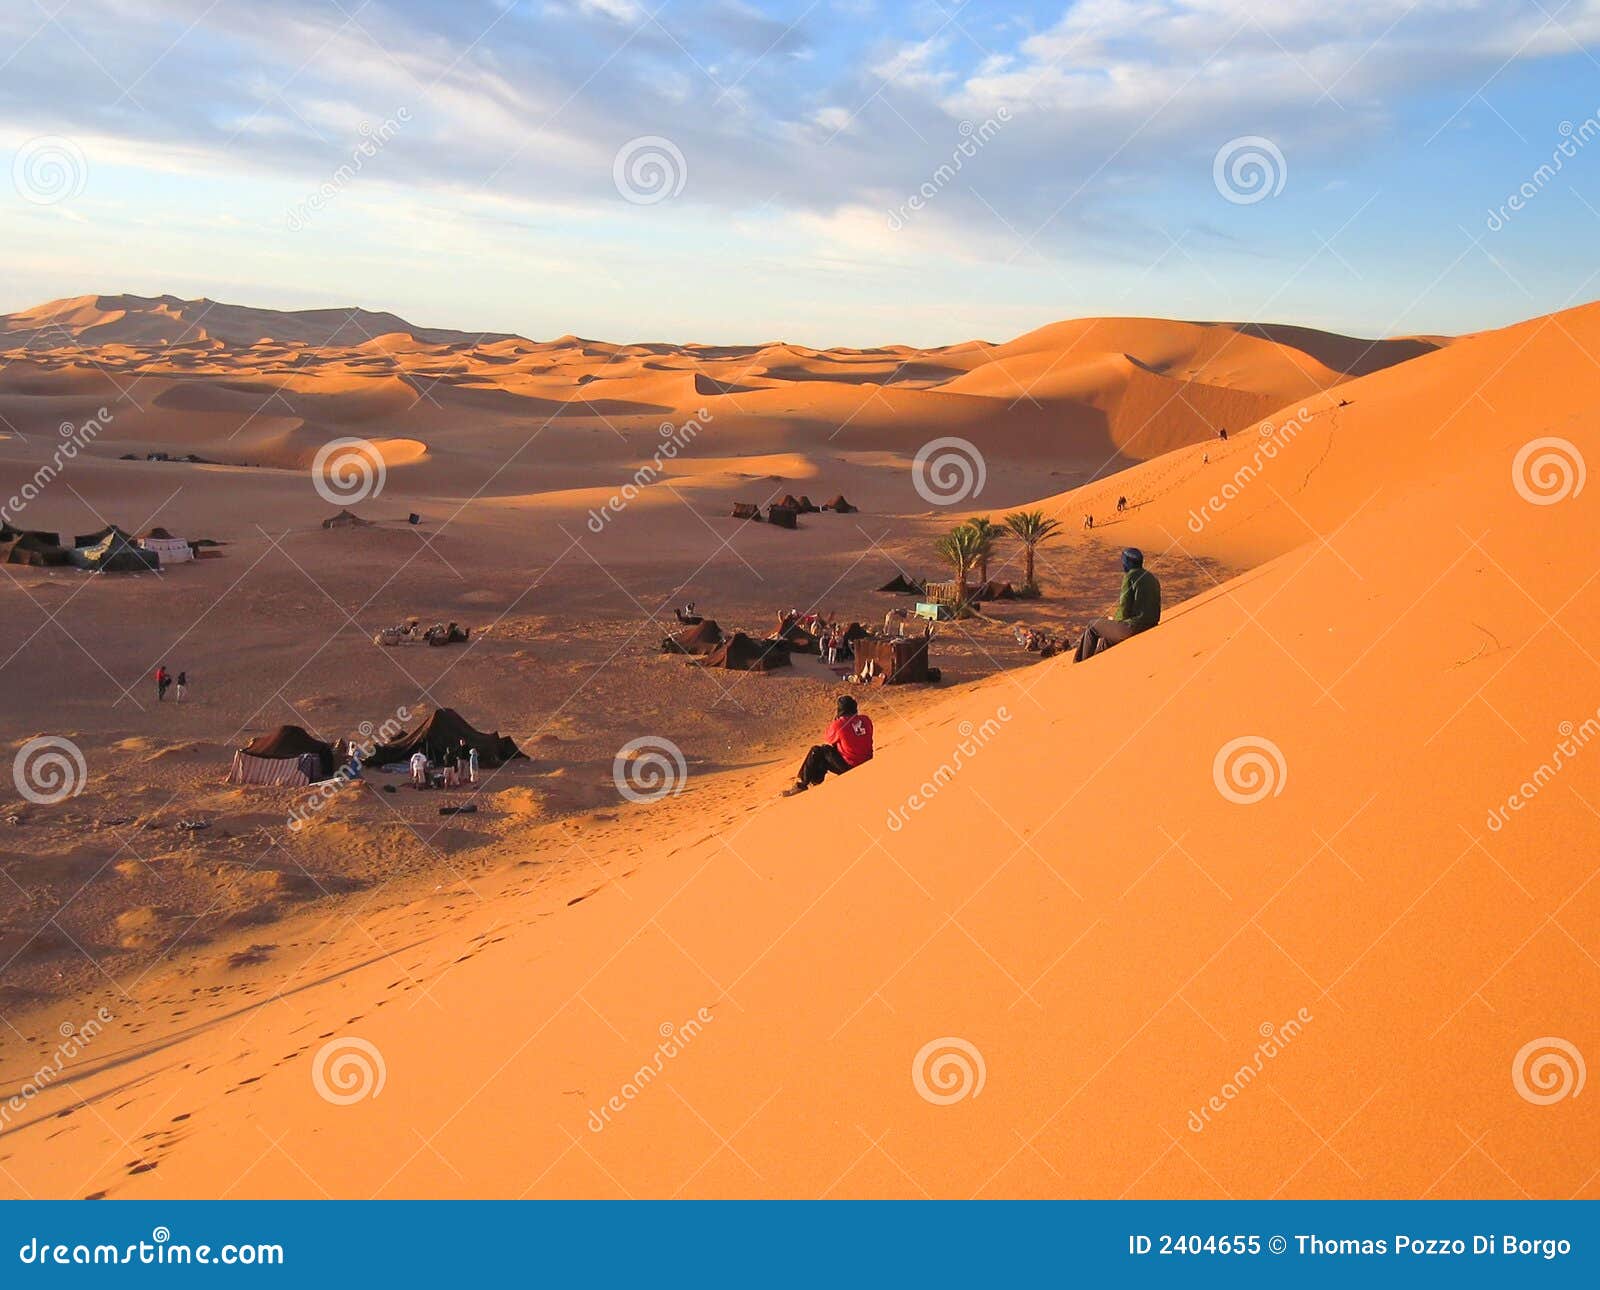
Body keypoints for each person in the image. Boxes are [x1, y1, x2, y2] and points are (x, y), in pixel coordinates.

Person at [1074, 547, 1161, 663]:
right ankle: (1094, 663)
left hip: (1133, 627)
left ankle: (1080, 664)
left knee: (1092, 626)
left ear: (1128, 562)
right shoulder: (1153, 578)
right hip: (1151, 625)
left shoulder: (1130, 576)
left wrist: (1116, 620)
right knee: (1107, 639)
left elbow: (1124, 605)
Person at [782, 696, 873, 796]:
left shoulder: (839, 724)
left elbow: (828, 738)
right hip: (868, 761)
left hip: (851, 766)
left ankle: (802, 784)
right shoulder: (866, 719)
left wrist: (836, 721)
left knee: (818, 750)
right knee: (826, 755)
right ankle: (814, 780)